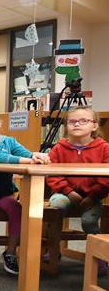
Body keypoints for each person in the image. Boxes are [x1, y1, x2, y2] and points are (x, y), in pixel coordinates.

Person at [0, 109, 50, 275]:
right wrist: (27, 160)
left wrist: (36, 156)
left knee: (16, 209)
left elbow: (26, 154)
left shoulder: (9, 142)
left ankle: (11, 252)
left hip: (3, 193)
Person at [47, 106, 109, 275]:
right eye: (72, 121)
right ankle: (52, 248)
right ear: (66, 126)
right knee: (56, 207)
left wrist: (92, 196)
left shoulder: (104, 148)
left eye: (83, 121)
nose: (77, 124)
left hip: (92, 197)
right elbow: (52, 174)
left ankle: (99, 256)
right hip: (64, 194)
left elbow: (106, 179)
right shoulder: (59, 148)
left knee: (89, 222)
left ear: (94, 126)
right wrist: (68, 192)